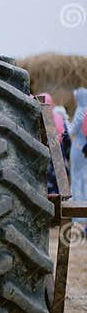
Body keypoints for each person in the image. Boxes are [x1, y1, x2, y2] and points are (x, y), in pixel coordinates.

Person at [69, 88, 87, 222]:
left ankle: (78, 214)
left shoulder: (80, 111)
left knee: (76, 177)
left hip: (78, 146)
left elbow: (72, 130)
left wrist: (65, 123)